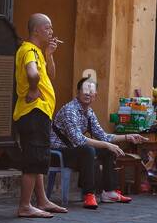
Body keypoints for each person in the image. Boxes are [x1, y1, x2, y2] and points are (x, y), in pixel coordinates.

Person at [51, 77, 144, 209]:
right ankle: (89, 194)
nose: (87, 93)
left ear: (95, 95)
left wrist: (128, 137)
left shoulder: (89, 113)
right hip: (58, 154)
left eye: (91, 91)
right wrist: (106, 144)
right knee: (88, 150)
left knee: (107, 150)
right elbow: (79, 139)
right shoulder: (69, 110)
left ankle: (109, 192)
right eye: (84, 90)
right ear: (77, 92)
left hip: (74, 151)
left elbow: (103, 136)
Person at [14, 13, 67, 219]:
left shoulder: (37, 51)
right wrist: (34, 88)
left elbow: (50, 75)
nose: (51, 32)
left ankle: (42, 200)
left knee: (36, 158)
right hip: (34, 111)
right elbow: (32, 73)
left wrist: (50, 54)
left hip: (38, 112)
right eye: (48, 28)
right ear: (36, 30)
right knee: (34, 158)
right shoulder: (28, 50)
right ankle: (25, 205)